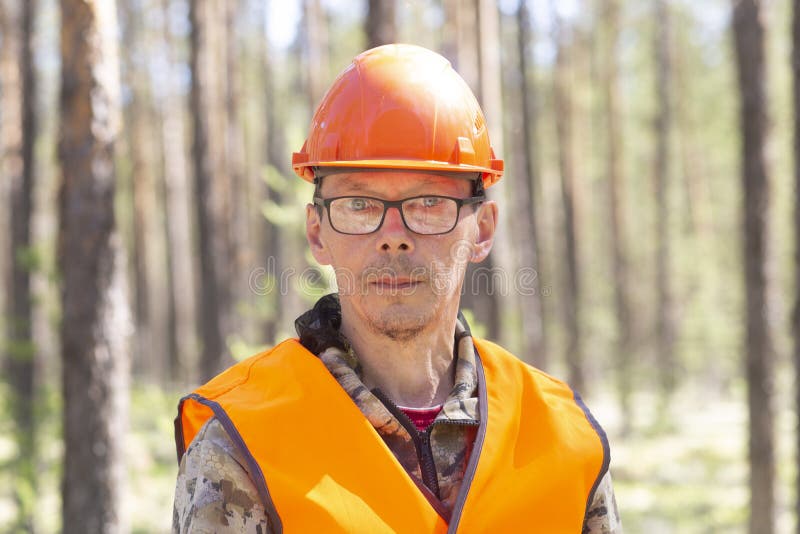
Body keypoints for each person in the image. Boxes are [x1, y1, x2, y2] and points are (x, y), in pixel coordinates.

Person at [172, 43, 622, 533]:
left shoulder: (562, 435)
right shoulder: (243, 440)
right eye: (360, 205)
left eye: (428, 202)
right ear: (317, 233)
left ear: (483, 229)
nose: (394, 237)